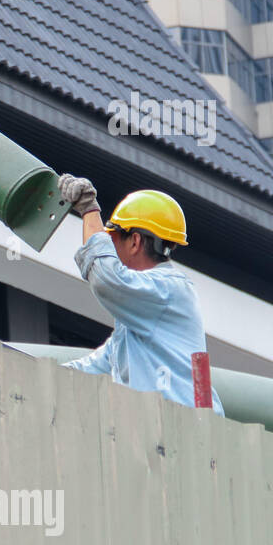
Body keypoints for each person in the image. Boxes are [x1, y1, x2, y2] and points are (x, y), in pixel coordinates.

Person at [56, 175, 223, 414]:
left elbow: (106, 279)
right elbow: (96, 367)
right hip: (173, 433)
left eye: (111, 239)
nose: (108, 249)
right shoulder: (139, 323)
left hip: (188, 432)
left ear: (134, 241)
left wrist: (89, 209)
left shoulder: (170, 289)